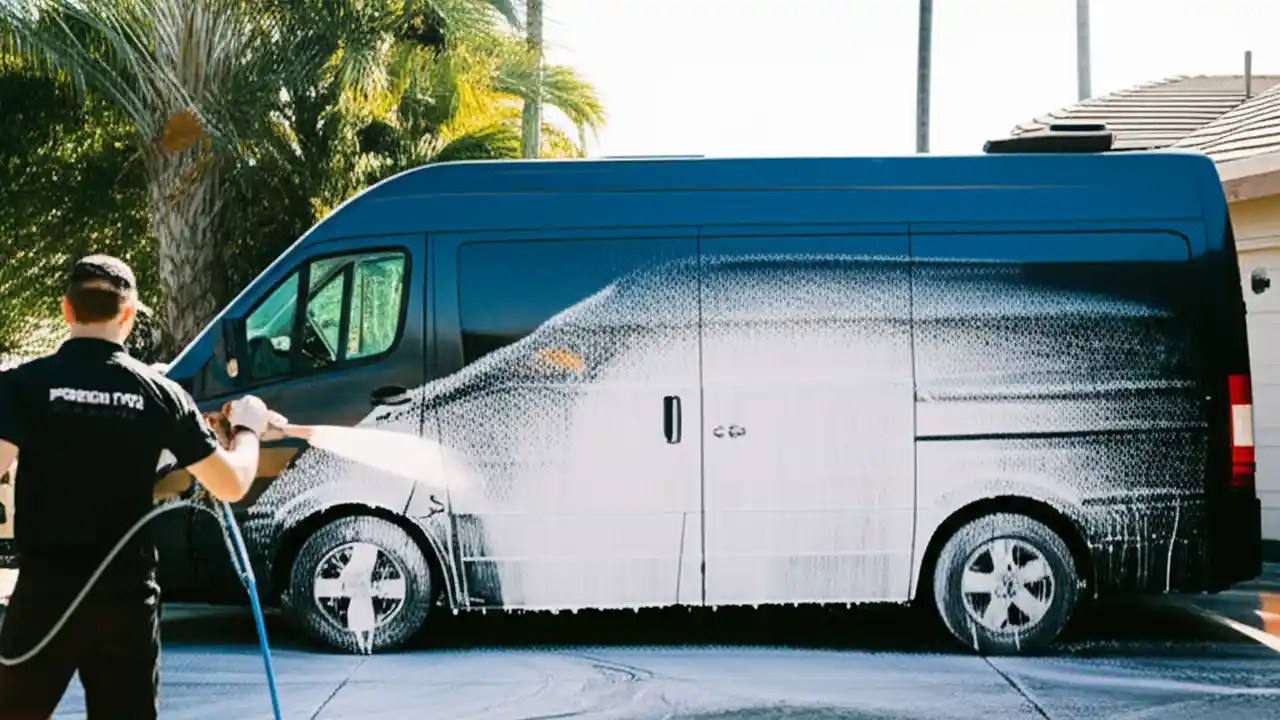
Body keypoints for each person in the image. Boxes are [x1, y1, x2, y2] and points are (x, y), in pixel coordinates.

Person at [0, 255, 276, 719]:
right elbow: (231, 484)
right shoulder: (161, 395)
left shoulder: (23, 386)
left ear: (66, 310)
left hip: (45, 596)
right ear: (128, 315)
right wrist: (248, 427)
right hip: (125, 600)